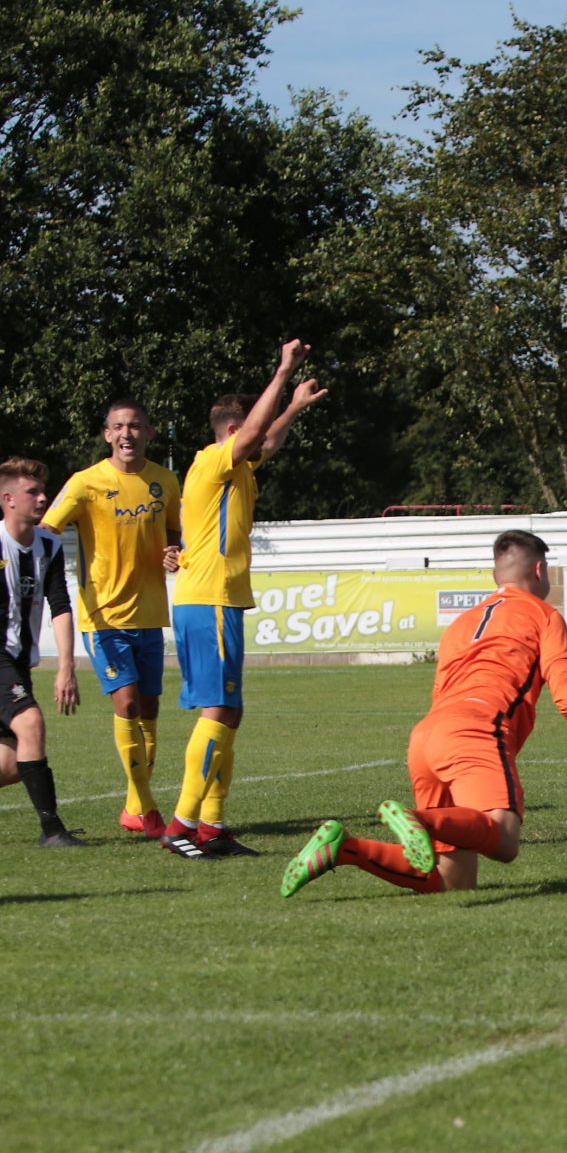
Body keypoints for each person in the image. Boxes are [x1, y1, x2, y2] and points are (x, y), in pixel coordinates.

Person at [281, 529, 567, 897]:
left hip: (427, 738)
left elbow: (442, 692)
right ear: (541, 570)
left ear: (495, 575)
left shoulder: (461, 624)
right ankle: (416, 821)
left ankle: (344, 848)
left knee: (453, 878)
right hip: (479, 730)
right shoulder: (545, 616)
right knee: (505, 839)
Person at [163, 339, 328, 859]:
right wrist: (281, 372)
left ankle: (211, 825)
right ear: (232, 435)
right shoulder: (215, 462)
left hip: (215, 601)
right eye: (247, 435)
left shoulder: (236, 469)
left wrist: (295, 409)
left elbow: (267, 441)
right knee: (219, 708)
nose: (256, 444)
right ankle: (182, 825)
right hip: (208, 600)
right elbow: (256, 433)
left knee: (228, 709)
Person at [41, 398, 183, 840]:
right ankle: (146, 809)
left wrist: (174, 550)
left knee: (150, 708)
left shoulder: (165, 480)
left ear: (150, 432)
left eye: (136, 426)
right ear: (106, 435)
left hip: (150, 612)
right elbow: (47, 528)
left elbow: (176, 531)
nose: (127, 434)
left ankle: (134, 803)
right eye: (119, 427)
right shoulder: (86, 483)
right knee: (126, 704)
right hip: (102, 615)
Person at [0, 458, 86, 846]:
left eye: (42, 491)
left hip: (17, 661)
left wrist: (66, 667)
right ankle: (52, 830)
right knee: (31, 723)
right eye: (32, 492)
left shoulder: (48, 544)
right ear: (8, 499)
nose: (43, 498)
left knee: (12, 764)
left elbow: (61, 605)